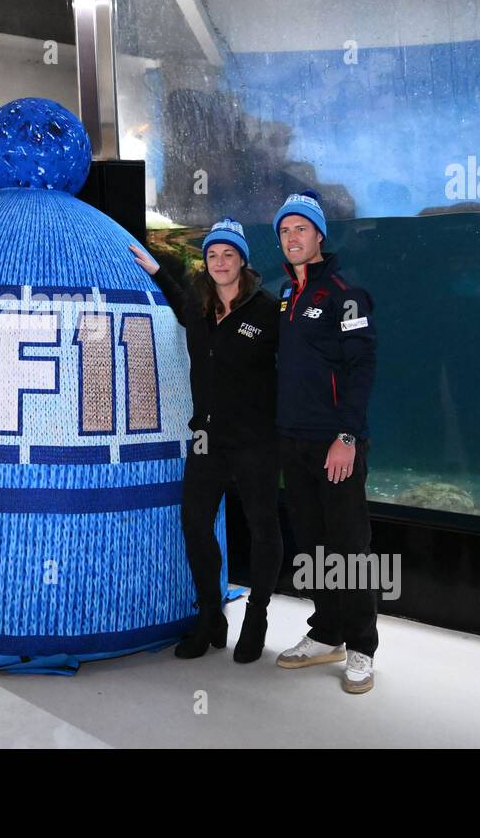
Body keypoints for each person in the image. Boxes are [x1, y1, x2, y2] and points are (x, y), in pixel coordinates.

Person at [131, 218, 283, 662]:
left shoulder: (269, 312)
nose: (219, 262)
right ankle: (210, 618)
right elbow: (177, 299)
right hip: (207, 439)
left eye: (228, 255)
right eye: (212, 255)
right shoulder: (198, 309)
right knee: (195, 525)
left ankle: (257, 616)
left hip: (256, 441)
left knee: (263, 529)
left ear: (243, 261)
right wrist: (156, 270)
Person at [271, 192, 380, 693]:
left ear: (319, 236)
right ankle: (327, 633)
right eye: (284, 231)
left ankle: (361, 647)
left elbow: (361, 369)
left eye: (301, 229)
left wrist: (346, 436)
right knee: (313, 547)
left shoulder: (345, 292)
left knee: (349, 548)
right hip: (293, 444)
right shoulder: (285, 297)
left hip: (334, 445)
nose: (292, 238)